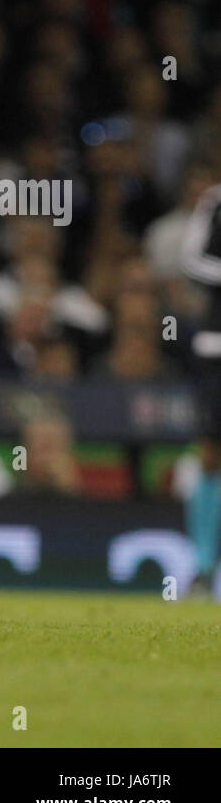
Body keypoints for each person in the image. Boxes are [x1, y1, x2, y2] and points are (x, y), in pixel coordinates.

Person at [179, 181, 221, 596]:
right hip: (217, 346)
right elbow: (191, 260)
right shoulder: (215, 199)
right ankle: (204, 568)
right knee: (211, 455)